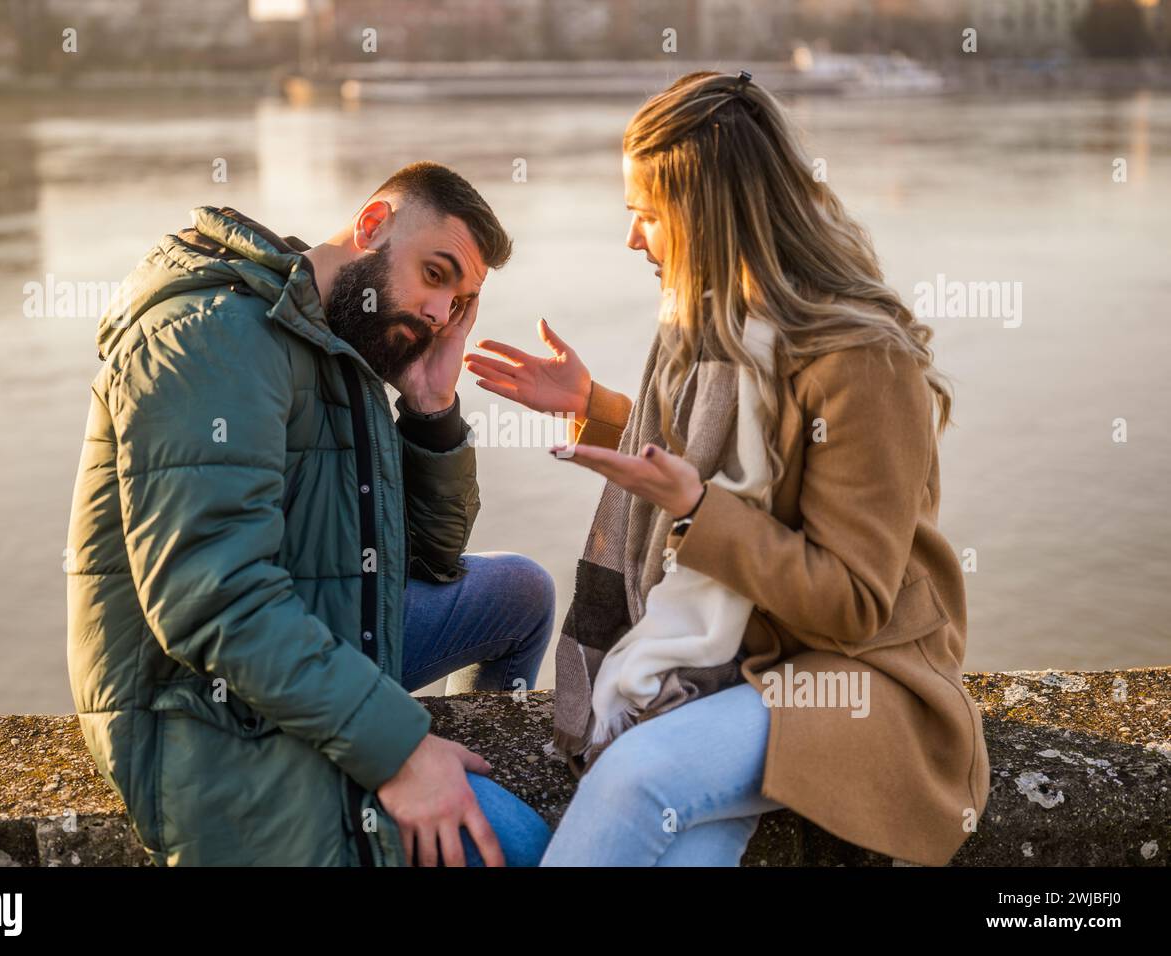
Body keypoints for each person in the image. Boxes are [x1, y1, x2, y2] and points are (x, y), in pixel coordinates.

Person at [464, 72, 991, 867]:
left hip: (851, 678)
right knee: (686, 845)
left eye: (646, 216)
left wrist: (696, 514)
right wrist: (597, 406)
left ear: (707, 215)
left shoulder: (861, 358)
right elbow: (728, 465)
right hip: (742, 659)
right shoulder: (713, 329)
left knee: (639, 780)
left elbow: (851, 603)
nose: (633, 240)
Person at [66, 162, 553, 866]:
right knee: (528, 849)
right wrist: (400, 752)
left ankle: (469, 759)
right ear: (373, 226)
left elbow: (422, 564)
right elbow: (213, 602)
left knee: (523, 594)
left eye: (463, 299)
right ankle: (429, 787)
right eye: (437, 274)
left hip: (307, 627)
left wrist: (431, 407)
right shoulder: (214, 336)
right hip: (209, 702)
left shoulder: (334, 342)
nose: (442, 315)